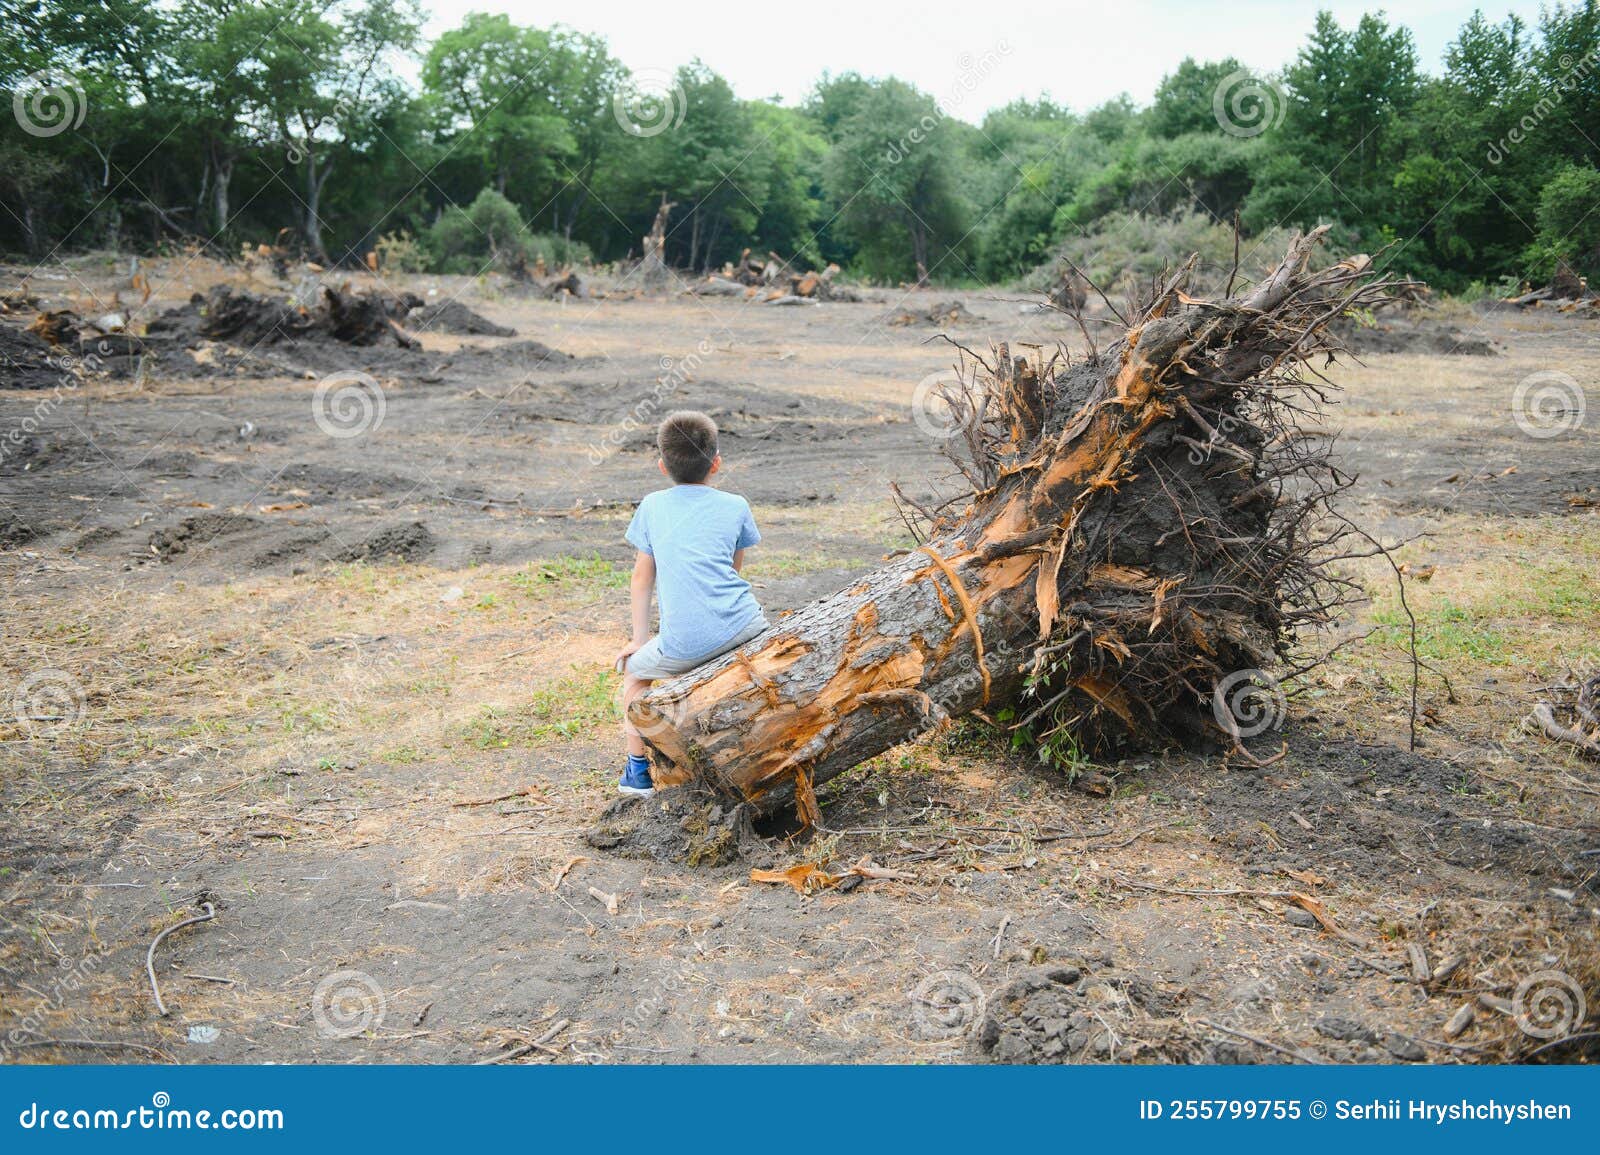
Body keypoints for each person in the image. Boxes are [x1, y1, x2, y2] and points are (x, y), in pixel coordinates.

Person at [614, 411, 767, 796]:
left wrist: (639, 638)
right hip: (747, 626)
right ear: (716, 463)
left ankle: (637, 773)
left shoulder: (651, 506)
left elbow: (641, 578)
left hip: (685, 642)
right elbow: (734, 571)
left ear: (662, 466)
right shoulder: (736, 505)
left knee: (633, 672)